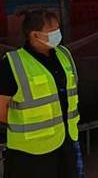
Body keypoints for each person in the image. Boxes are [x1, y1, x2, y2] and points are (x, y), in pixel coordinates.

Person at [0, 9, 81, 178]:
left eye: (58, 29)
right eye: (51, 31)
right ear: (34, 35)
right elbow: (1, 110)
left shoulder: (64, 54)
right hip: (31, 151)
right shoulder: (13, 63)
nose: (57, 34)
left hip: (66, 141)